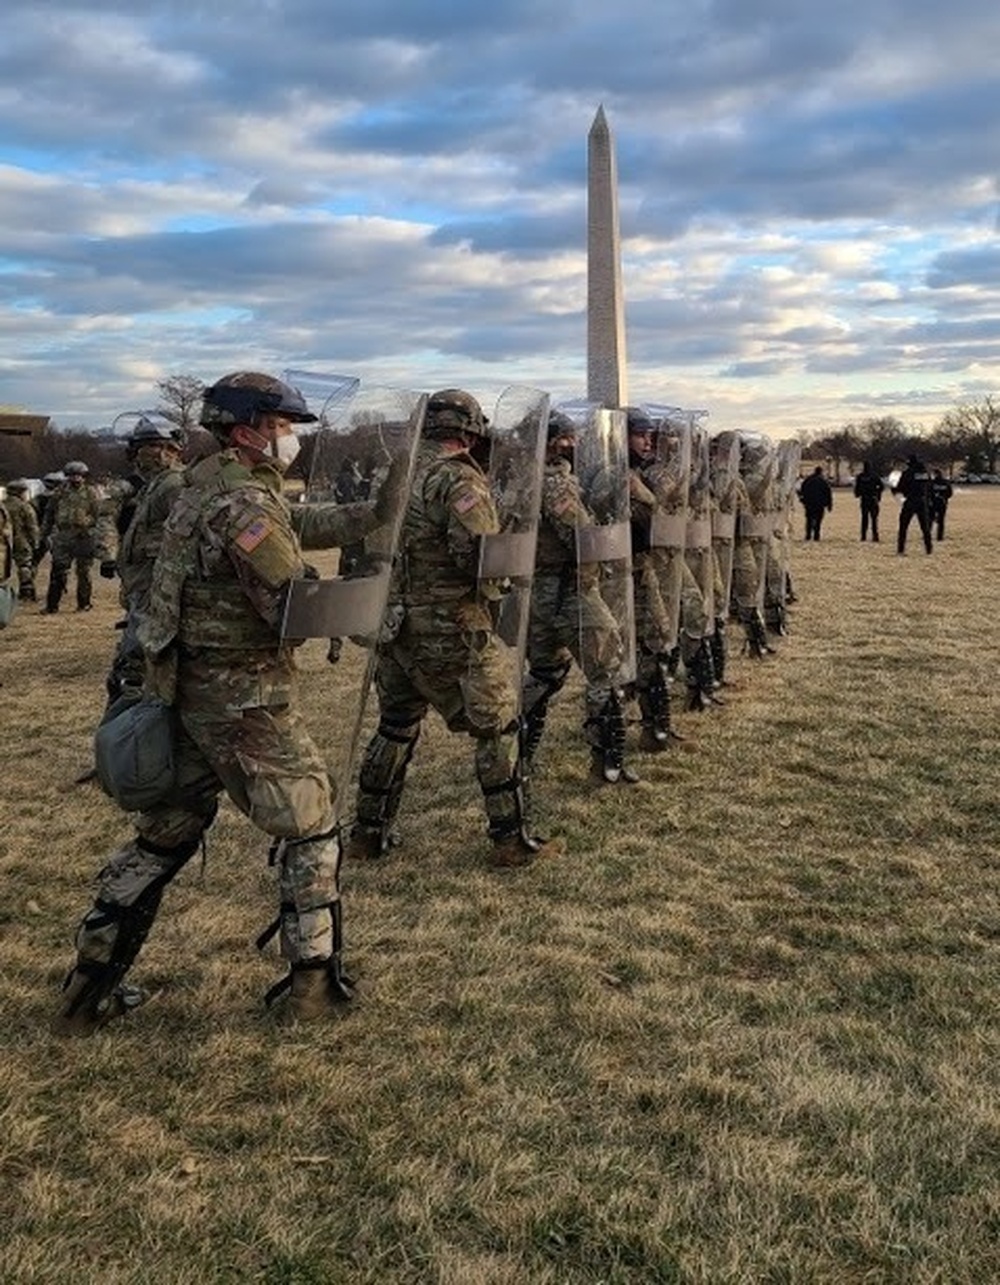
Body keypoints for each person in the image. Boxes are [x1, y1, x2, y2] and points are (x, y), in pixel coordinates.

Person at [53, 371, 395, 1035]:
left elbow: (303, 522)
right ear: (248, 431)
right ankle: (313, 985)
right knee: (312, 825)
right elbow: (290, 604)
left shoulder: (208, 486)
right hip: (242, 702)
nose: (290, 438)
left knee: (163, 838)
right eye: (282, 426)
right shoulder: (244, 507)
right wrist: (365, 606)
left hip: (186, 692)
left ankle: (86, 986)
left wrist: (377, 510)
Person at [346, 388, 559, 869]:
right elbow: (477, 555)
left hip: (394, 624)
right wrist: (507, 563)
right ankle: (509, 837)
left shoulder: (393, 473)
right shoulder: (457, 478)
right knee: (498, 724)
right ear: (470, 431)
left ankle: (367, 832)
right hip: (452, 626)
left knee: (396, 726)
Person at [521, 410, 637, 780]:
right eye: (569, 438)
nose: (574, 445)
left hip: (537, 592)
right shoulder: (557, 484)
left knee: (544, 674)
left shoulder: (517, 481)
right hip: (571, 591)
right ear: (554, 442)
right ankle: (608, 763)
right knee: (607, 670)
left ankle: (518, 757)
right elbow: (580, 535)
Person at [102, 417, 187, 705]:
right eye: (140, 447)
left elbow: (191, 537)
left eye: (151, 446)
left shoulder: (173, 485)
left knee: (133, 670)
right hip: (143, 588)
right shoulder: (152, 488)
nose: (143, 454)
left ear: (171, 450)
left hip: (156, 592)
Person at [40, 461, 105, 613]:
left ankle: (84, 603)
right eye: (72, 475)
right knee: (58, 570)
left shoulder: (91, 493)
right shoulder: (59, 493)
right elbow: (49, 515)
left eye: (79, 475)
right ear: (67, 477)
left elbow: (100, 515)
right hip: (63, 535)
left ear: (84, 477)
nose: (76, 479)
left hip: (84, 536)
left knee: (84, 572)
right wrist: (43, 534)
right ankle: (52, 605)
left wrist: (96, 533)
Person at [4, 479, 41, 601]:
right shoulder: (24, 506)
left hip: (4, 540)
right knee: (24, 566)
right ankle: (26, 591)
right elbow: (32, 526)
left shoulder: (2, 505)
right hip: (20, 539)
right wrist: (35, 543)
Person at [893, 454, 933, 555]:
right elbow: (929, 486)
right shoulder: (925, 473)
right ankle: (929, 549)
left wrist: (894, 489)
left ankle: (901, 550)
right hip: (923, 501)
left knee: (903, 526)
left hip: (910, 501)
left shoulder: (908, 473)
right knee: (925, 527)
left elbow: (900, 487)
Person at [798, 466, 833, 541]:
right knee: (818, 520)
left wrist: (803, 499)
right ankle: (816, 535)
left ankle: (808, 535)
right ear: (821, 472)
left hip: (809, 503)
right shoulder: (823, 481)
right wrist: (829, 505)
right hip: (820, 504)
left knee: (809, 519)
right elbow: (828, 493)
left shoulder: (808, 480)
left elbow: (801, 490)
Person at [853, 461, 884, 542]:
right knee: (874, 519)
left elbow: (857, 487)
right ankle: (875, 536)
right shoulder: (874, 476)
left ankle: (863, 536)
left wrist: (857, 494)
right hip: (873, 499)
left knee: (864, 519)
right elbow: (882, 486)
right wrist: (877, 494)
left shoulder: (860, 476)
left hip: (864, 499)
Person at [930, 469, 953, 541]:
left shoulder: (931, 483)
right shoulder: (946, 482)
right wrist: (945, 497)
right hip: (942, 503)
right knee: (941, 521)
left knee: (930, 520)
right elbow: (950, 493)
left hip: (933, 504)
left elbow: (927, 492)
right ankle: (940, 537)